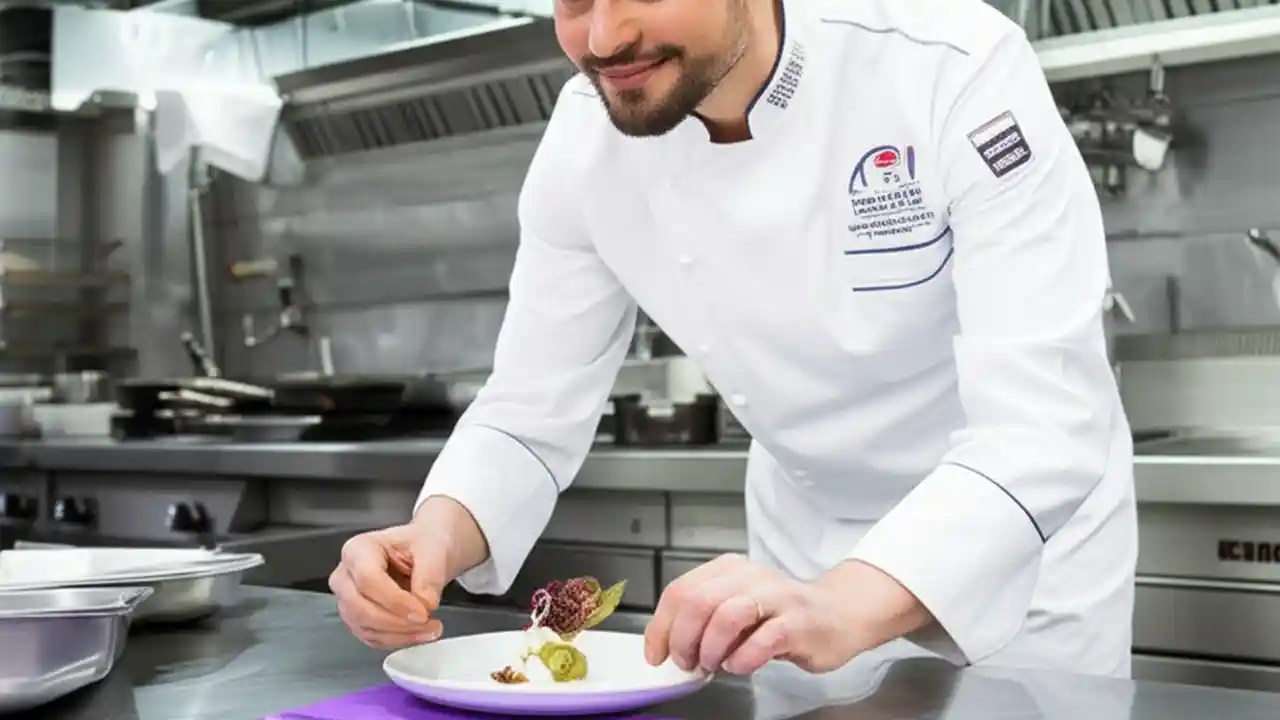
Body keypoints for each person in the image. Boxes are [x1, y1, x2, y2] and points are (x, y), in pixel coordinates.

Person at [329, 0, 1138, 680]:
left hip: (1021, 553)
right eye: (574, 0)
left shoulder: (949, 64)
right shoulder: (583, 144)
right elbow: (527, 411)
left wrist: (845, 601)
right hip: (799, 559)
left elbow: (1043, 426)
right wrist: (434, 535)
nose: (604, 37)